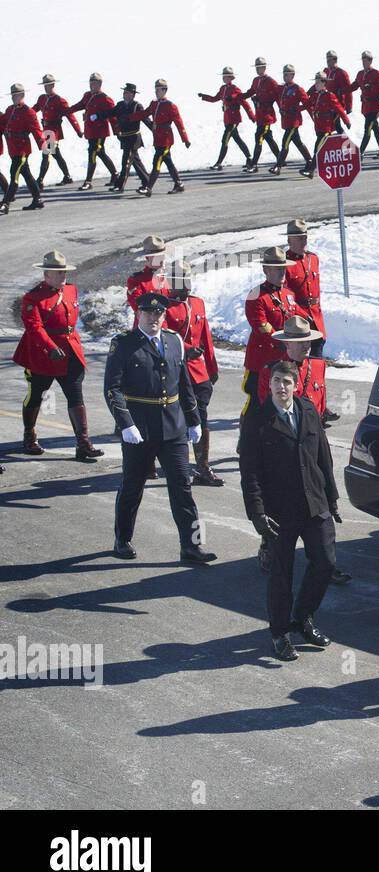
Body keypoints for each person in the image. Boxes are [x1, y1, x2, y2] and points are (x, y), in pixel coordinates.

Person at [104, 291, 217, 565]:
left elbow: (184, 382)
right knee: (133, 486)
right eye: (148, 313)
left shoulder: (174, 340)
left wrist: (193, 420)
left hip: (173, 427)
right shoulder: (123, 344)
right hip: (140, 429)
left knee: (183, 488)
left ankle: (192, 545)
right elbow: (112, 388)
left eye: (158, 313)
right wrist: (126, 424)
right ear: (138, 314)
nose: (153, 318)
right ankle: (123, 538)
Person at [239, 359, 340, 662]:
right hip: (278, 510)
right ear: (268, 384)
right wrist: (257, 513)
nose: (281, 387)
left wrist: (332, 498)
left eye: (287, 381)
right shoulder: (258, 419)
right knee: (281, 573)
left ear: (296, 384)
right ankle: (280, 632)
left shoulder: (308, 409)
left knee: (325, 561)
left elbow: (323, 456)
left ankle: (304, 618)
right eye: (276, 381)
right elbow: (250, 472)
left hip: (314, 502)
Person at [14, 250, 101, 461]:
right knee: (36, 395)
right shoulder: (32, 298)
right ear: (46, 275)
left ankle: (83, 443)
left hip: (70, 351)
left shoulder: (71, 291)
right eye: (58, 273)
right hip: (43, 355)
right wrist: (50, 347)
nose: (63, 276)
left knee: (75, 396)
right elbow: (34, 327)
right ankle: (29, 436)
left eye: (64, 272)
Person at [160, 260, 221, 487]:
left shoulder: (197, 303)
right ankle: (175, 465)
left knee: (200, 417)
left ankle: (202, 466)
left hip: (197, 372)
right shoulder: (163, 305)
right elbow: (165, 337)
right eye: (180, 281)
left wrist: (212, 367)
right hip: (175, 371)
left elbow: (206, 337)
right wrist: (186, 350)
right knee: (175, 420)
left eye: (188, 280)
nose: (186, 285)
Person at [284, 218, 339, 421]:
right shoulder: (286, 263)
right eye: (299, 237)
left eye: (305, 236)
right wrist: (302, 315)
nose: (303, 240)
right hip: (300, 323)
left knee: (317, 366)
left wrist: (316, 318)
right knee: (301, 366)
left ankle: (321, 406)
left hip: (316, 319)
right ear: (290, 239)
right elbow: (287, 296)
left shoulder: (312, 259)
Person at [242, 246, 307, 416]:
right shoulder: (256, 295)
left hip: (284, 360)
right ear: (265, 270)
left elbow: (300, 317)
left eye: (284, 269)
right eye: (277, 269)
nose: (282, 273)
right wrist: (286, 343)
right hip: (263, 360)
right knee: (256, 405)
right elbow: (261, 327)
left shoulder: (287, 294)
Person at [67, 72, 118, 189]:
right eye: (91, 82)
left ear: (100, 84)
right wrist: (66, 111)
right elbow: (79, 105)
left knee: (93, 153)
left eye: (94, 83)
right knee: (100, 153)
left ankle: (88, 181)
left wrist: (117, 131)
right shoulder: (87, 96)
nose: (92, 85)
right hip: (90, 131)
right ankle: (115, 174)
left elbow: (112, 115)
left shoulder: (104, 98)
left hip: (100, 132)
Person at [199, 67, 255, 170]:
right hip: (227, 118)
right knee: (237, 139)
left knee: (225, 140)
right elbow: (215, 99)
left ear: (231, 78)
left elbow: (244, 102)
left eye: (226, 76)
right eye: (223, 76)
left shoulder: (235, 88)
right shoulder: (223, 88)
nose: (224, 78)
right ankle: (249, 157)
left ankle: (219, 163)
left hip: (234, 118)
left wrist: (251, 116)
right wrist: (204, 96)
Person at [1, 83, 46, 213]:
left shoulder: (28, 112)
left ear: (22, 95)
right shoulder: (10, 110)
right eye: (13, 95)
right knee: (26, 174)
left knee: (14, 173)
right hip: (13, 149)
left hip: (22, 149)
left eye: (17, 95)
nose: (14, 97)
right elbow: (3, 123)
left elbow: (37, 130)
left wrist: (42, 144)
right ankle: (37, 200)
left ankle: (6, 203)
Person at [141, 79, 190, 197]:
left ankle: (148, 187)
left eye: (159, 89)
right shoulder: (154, 104)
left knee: (156, 161)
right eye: (156, 89)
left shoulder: (170, 106)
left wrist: (185, 139)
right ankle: (179, 184)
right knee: (168, 162)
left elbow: (179, 123)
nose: (156, 92)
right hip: (158, 138)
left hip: (166, 140)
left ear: (165, 90)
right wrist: (130, 117)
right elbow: (145, 113)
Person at [34, 74, 81, 187]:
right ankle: (67, 176)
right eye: (45, 85)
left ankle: (39, 180)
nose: (46, 87)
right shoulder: (42, 98)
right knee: (56, 155)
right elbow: (33, 110)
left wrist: (78, 130)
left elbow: (70, 115)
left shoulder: (59, 100)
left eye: (48, 85)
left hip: (54, 131)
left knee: (46, 154)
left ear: (53, 85)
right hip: (45, 130)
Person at [105, 82, 151, 194]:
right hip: (124, 138)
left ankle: (119, 185)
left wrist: (155, 129)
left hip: (134, 139)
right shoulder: (120, 105)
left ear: (132, 95)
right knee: (135, 162)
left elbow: (145, 119)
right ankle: (148, 181)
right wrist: (97, 116)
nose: (124, 94)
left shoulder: (137, 106)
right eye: (124, 92)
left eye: (127, 92)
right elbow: (110, 112)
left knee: (125, 162)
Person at [268, 65, 312, 176]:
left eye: (287, 74)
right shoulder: (282, 88)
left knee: (285, 142)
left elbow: (308, 104)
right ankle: (310, 161)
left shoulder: (297, 89)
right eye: (284, 74)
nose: (285, 76)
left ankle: (278, 166)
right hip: (286, 121)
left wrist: (297, 109)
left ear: (292, 75)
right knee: (298, 143)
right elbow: (273, 93)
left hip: (293, 121)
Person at [240, 57, 281, 171]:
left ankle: (254, 165)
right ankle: (280, 159)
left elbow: (277, 96)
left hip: (267, 116)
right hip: (259, 116)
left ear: (264, 67)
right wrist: (239, 96)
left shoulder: (270, 81)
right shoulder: (256, 80)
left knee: (259, 136)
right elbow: (251, 91)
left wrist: (281, 109)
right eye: (257, 67)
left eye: (260, 67)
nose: (258, 69)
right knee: (268, 138)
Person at [305, 71, 349, 171]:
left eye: (318, 82)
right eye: (315, 82)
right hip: (318, 126)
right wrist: (295, 109)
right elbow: (307, 105)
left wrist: (346, 121)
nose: (316, 84)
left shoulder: (329, 95)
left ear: (324, 83)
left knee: (318, 148)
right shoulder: (315, 95)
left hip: (326, 127)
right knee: (322, 149)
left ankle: (311, 170)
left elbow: (339, 109)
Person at [126, 235, 170, 325]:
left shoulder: (166, 277)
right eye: (157, 257)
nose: (162, 260)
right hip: (146, 329)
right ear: (147, 258)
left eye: (163, 256)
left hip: (166, 330)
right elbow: (139, 308)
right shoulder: (136, 280)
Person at [351, 51, 379, 159]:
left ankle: (360, 152)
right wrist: (342, 91)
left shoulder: (377, 74)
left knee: (368, 128)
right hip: (366, 106)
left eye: (366, 60)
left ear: (370, 60)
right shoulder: (360, 74)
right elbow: (354, 85)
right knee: (375, 127)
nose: (363, 62)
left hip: (375, 106)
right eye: (363, 60)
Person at [322, 50, 352, 124]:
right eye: (327, 59)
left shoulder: (341, 73)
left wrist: (349, 106)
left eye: (330, 59)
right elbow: (320, 83)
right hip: (328, 105)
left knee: (334, 124)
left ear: (335, 60)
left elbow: (348, 90)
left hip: (338, 104)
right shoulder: (325, 71)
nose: (328, 61)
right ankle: (341, 135)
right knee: (332, 126)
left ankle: (345, 135)